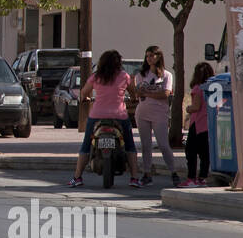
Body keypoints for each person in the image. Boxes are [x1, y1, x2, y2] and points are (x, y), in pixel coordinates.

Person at [69, 49, 142, 187]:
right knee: (130, 145)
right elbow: (133, 94)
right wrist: (132, 98)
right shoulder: (124, 76)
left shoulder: (95, 77)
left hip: (97, 115)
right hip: (119, 115)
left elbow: (83, 93)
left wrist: (85, 99)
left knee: (86, 145)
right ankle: (134, 178)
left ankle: (77, 177)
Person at [134, 45, 175, 187]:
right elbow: (138, 92)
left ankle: (173, 171)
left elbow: (165, 93)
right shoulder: (141, 75)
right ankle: (147, 173)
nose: (149, 58)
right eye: (147, 56)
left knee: (163, 144)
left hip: (160, 113)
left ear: (159, 57)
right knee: (146, 145)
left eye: (152, 55)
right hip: (143, 112)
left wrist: (147, 93)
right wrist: (147, 94)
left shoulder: (166, 75)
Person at [183, 62, 215, 187]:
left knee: (190, 151)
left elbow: (196, 107)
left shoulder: (198, 88)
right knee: (205, 153)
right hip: (209, 123)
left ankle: (191, 178)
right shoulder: (212, 87)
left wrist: (188, 109)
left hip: (197, 124)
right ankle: (203, 177)